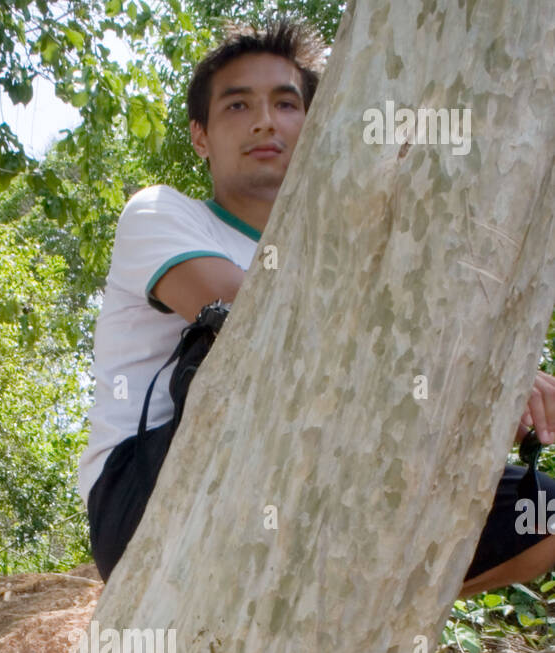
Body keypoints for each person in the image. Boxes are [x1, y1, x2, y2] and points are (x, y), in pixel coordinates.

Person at [78, 18, 555, 590]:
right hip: (146, 496)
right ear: (200, 135)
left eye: (286, 104)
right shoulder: (163, 213)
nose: (264, 121)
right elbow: (258, 328)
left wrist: (500, 385)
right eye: (237, 106)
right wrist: (470, 372)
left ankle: (371, 612)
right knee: (266, 344)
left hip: (314, 489)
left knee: (543, 512)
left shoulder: (339, 260)